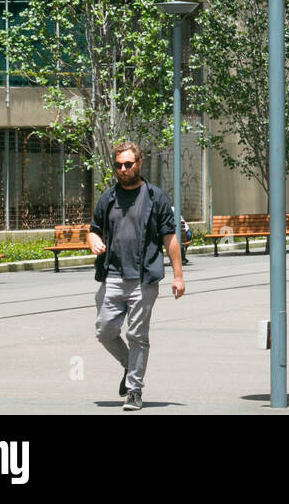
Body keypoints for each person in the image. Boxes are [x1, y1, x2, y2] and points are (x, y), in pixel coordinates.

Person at [88, 143, 184, 411]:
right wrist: (93, 240)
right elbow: (93, 229)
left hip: (143, 279)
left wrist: (178, 276)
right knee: (104, 331)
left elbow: (170, 237)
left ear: (140, 163)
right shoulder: (108, 198)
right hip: (112, 276)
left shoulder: (156, 197)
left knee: (137, 335)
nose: (122, 169)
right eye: (118, 165)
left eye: (128, 164)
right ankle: (129, 365)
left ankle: (134, 390)